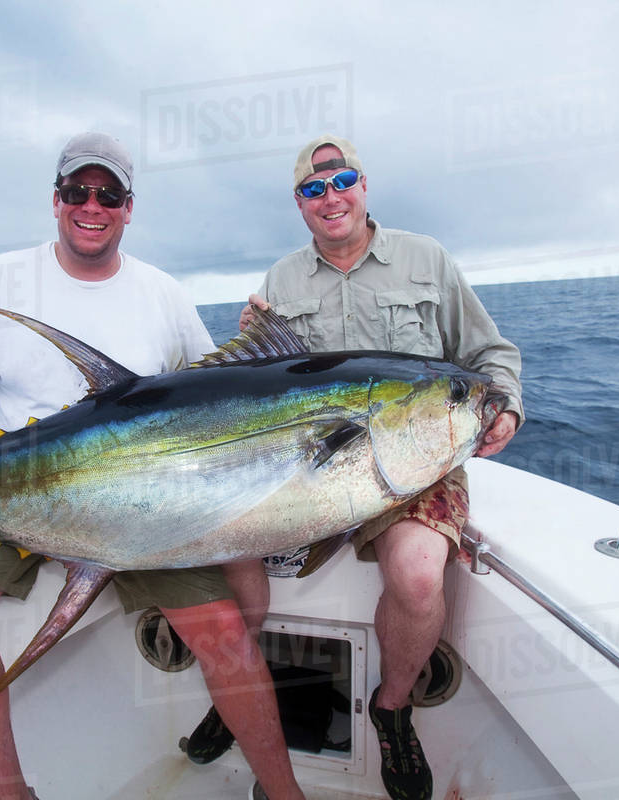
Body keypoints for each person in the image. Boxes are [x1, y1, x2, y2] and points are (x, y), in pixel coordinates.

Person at [0, 132, 305, 800]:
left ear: (127, 207)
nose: (92, 205)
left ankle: (283, 792)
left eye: (108, 194)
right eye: (77, 191)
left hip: (151, 500)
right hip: (22, 489)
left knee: (225, 632)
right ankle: (7, 795)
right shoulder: (0, 280)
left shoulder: (163, 294)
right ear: (56, 200)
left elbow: (218, 402)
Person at [186, 134, 523, 800]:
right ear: (299, 204)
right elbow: (255, 386)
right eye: (314, 189)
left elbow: (490, 354)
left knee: (421, 575)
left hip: (415, 464)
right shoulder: (280, 283)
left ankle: (393, 706)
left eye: (341, 181)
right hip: (306, 473)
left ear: (363, 185)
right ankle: (237, 695)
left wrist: (505, 407)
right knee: (225, 557)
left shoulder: (426, 260)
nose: (330, 197)